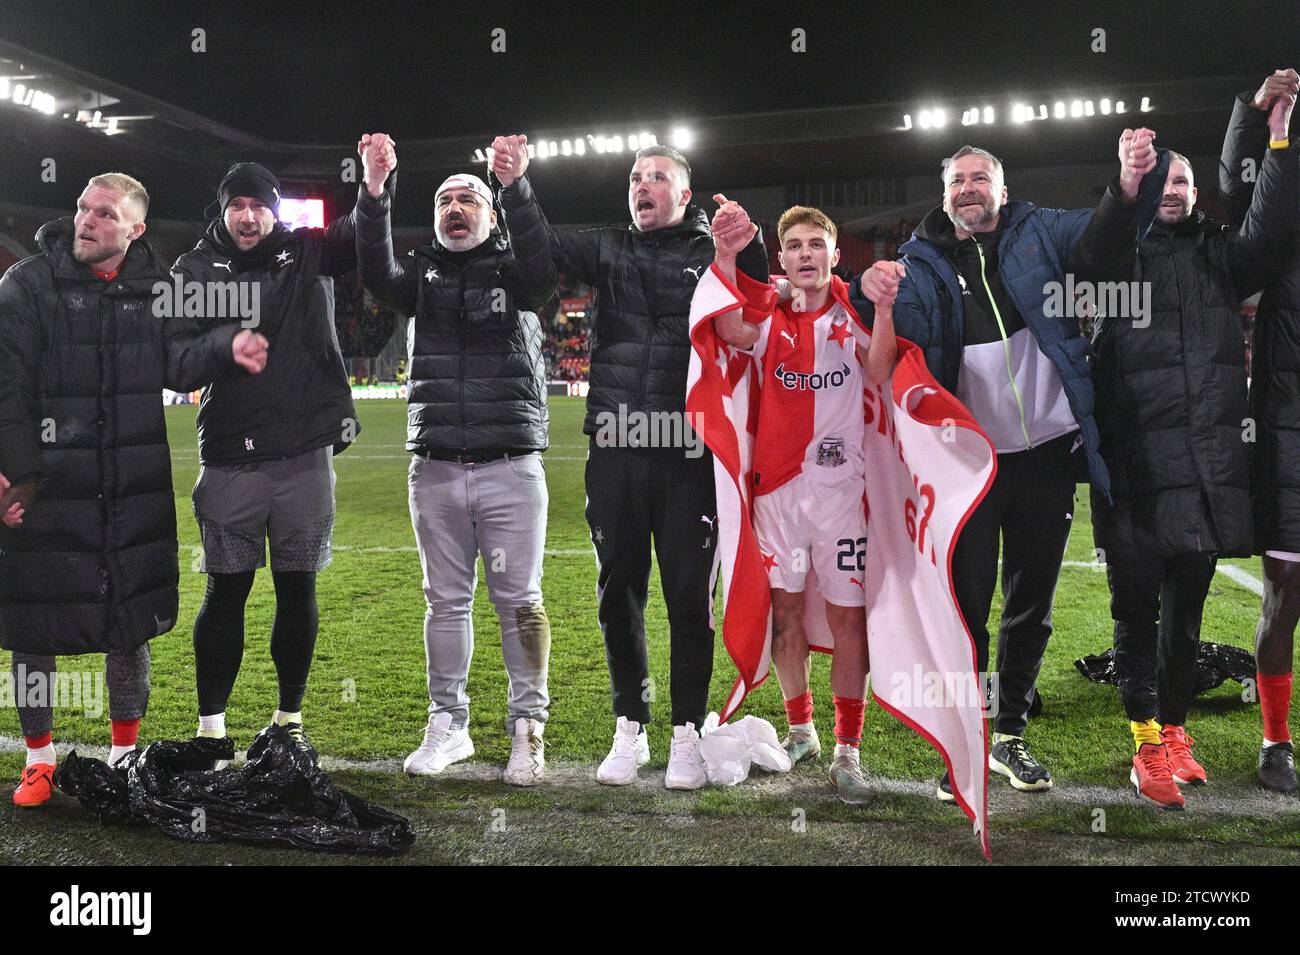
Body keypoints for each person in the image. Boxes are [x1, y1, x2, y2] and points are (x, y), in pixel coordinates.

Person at [851, 133, 1157, 800]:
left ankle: (1010, 732)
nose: (968, 188)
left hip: (1045, 454)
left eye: (980, 178)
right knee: (966, 607)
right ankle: (968, 739)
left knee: (1032, 604)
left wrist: (1129, 183)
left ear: (1001, 189)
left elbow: (1103, 238)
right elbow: (878, 343)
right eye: (957, 179)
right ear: (944, 195)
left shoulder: (1040, 231)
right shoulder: (919, 263)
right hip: (966, 464)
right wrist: (865, 288)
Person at [498, 137, 769, 789]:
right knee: (619, 594)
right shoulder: (609, 246)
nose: (641, 185)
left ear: (684, 193)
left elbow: (761, 309)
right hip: (616, 448)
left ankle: (685, 732)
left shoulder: (714, 251)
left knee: (687, 599)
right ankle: (630, 728)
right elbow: (541, 252)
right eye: (634, 177)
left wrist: (748, 244)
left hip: (688, 453)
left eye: (656, 176)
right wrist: (516, 189)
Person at [0, 172, 267, 807]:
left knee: (128, 622)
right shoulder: (28, 285)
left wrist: (227, 343)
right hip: (48, 482)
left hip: (129, 483)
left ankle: (125, 755)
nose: (85, 221)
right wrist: (15, 468)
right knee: (36, 624)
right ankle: (38, 760)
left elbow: (178, 363)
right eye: (82, 209)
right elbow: (6, 382)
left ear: (134, 229)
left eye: (104, 214)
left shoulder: (159, 289)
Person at [1094, 91, 1298, 809]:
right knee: (1135, 610)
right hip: (1139, 466)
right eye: (1163, 181)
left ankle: (1175, 730)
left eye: (1182, 180)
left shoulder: (1217, 254)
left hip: (1207, 469)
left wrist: (1275, 143)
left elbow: (1269, 235)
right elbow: (1091, 249)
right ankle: (1145, 741)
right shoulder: (1116, 255)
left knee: (1187, 613)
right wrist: (1125, 183)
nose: (1174, 190)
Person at [354, 133, 555, 786]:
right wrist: (376, 192)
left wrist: (517, 185)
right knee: (444, 602)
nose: (455, 206)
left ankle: (528, 727)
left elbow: (543, 270)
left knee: (520, 602)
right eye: (444, 199)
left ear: (491, 215)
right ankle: (450, 723)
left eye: (469, 196)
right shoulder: (418, 276)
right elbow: (373, 272)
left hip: (510, 464)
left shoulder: (519, 272)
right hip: (436, 466)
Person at [708, 199, 897, 803]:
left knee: (847, 619)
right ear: (782, 258)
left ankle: (848, 750)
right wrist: (735, 259)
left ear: (835, 256)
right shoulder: (771, 315)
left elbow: (880, 366)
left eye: (817, 244)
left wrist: (884, 306)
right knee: (785, 616)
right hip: (778, 498)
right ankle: (801, 729)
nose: (806, 254)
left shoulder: (852, 311)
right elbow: (727, 329)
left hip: (842, 497)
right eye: (795, 246)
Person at [172, 161, 360, 762]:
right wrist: (225, 344)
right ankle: (211, 730)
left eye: (259, 204)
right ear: (222, 211)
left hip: (304, 452)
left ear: (274, 209)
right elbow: (174, 362)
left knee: (297, 588)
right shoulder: (194, 270)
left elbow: (363, 238)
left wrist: (378, 188)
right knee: (225, 594)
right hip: (230, 457)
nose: (248, 216)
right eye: (237, 205)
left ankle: (289, 721)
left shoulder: (306, 252)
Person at [1219, 68, 1300, 793]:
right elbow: (1243, 196)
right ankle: (1277, 742)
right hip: (1288, 424)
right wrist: (1262, 117)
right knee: (1285, 591)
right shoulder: (1281, 225)